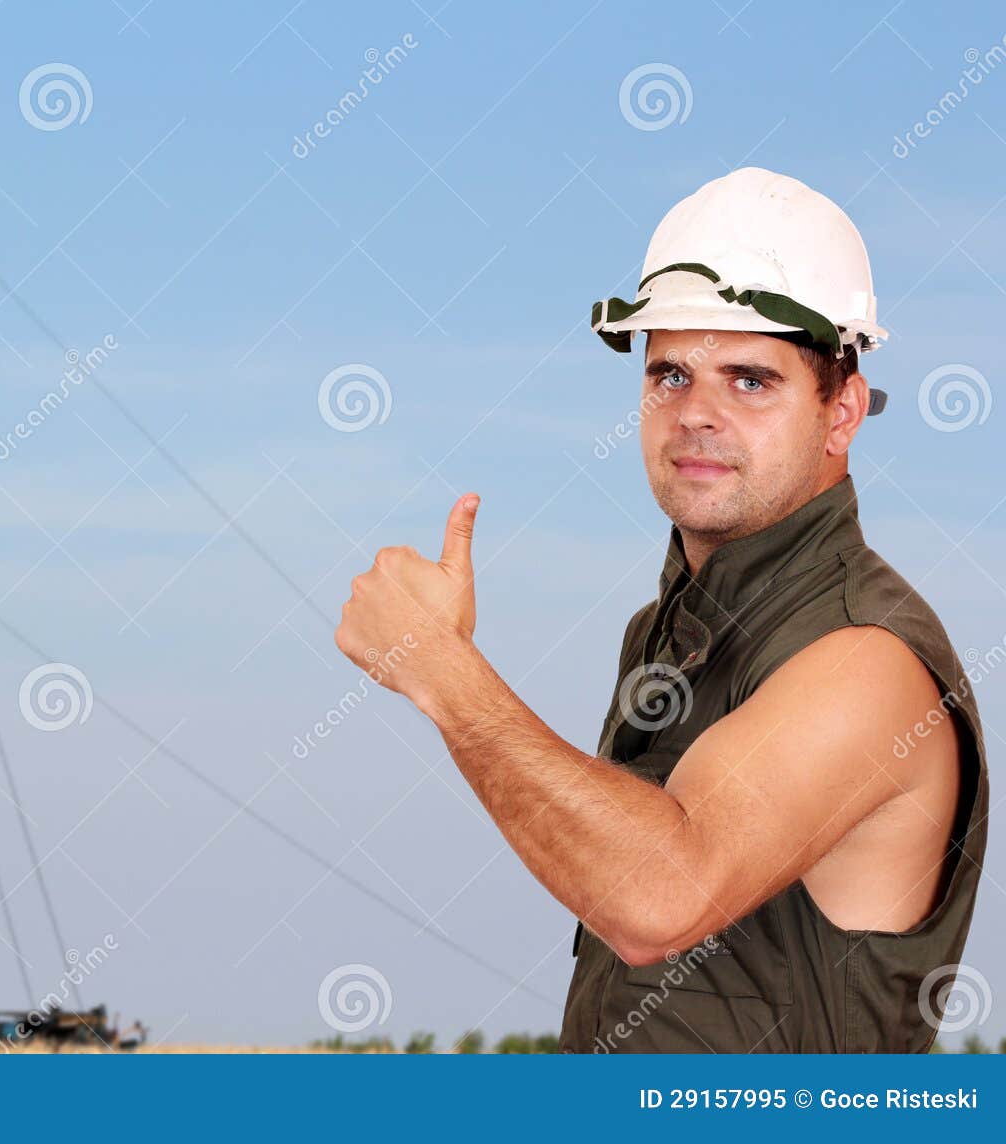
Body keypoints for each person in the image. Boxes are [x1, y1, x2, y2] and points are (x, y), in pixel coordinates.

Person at [333, 167, 987, 1052]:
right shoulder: (666, 637)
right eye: (670, 374)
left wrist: (442, 670)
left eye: (750, 380)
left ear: (843, 411)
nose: (697, 415)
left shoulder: (867, 659)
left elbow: (659, 898)